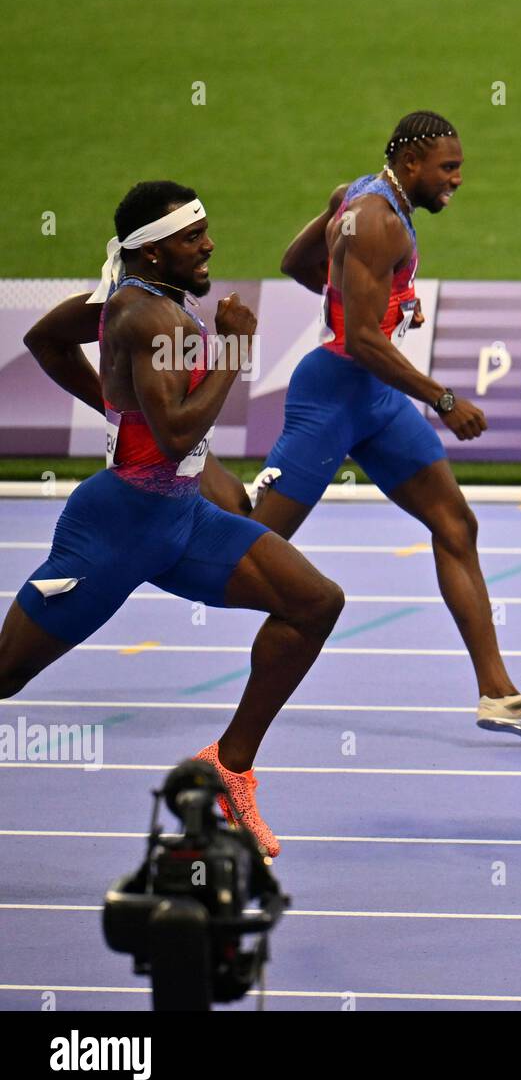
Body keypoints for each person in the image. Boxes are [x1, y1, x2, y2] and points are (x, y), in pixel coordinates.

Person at [0, 181, 345, 857]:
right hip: (116, 532)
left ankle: (229, 765)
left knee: (315, 602)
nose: (209, 243)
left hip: (182, 521)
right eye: (194, 236)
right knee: (6, 674)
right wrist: (237, 349)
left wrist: (116, 408)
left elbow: (44, 336)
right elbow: (181, 432)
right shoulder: (157, 322)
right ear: (153, 254)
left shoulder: (126, 301)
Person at [263, 110, 521, 743]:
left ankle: (498, 693)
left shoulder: (352, 196)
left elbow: (297, 263)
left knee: (455, 524)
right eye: (450, 168)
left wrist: (369, 297)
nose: (458, 180)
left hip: (377, 400)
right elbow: (358, 338)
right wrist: (443, 398)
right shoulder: (378, 221)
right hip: (334, 395)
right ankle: (151, 539)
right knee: (245, 545)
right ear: (411, 164)